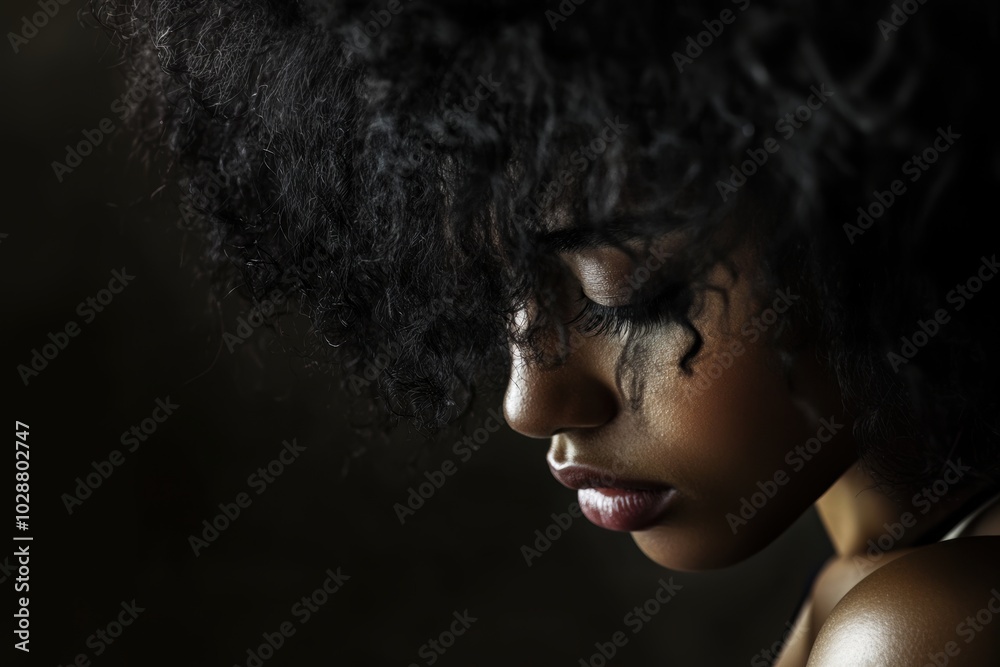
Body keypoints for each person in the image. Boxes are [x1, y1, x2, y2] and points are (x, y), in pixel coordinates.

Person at [97, 0, 1000, 662]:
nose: (529, 402)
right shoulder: (897, 568)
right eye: (503, 288)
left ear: (886, 209)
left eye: (628, 296)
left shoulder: (930, 627)